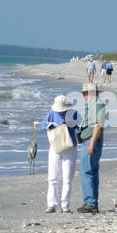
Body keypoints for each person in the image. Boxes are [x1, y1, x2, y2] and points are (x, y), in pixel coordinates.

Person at [39, 94, 80, 213]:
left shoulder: (73, 113)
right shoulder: (52, 112)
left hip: (69, 146)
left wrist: (71, 124)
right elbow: (42, 126)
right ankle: (51, 205)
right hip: (55, 147)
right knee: (52, 177)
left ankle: (65, 205)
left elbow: (80, 126)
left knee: (67, 178)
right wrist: (49, 126)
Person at [77, 83, 106, 213]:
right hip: (92, 141)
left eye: (85, 93)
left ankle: (90, 203)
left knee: (86, 172)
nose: (84, 96)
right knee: (92, 172)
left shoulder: (97, 105)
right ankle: (92, 202)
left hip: (90, 141)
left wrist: (91, 143)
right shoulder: (95, 105)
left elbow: (98, 125)